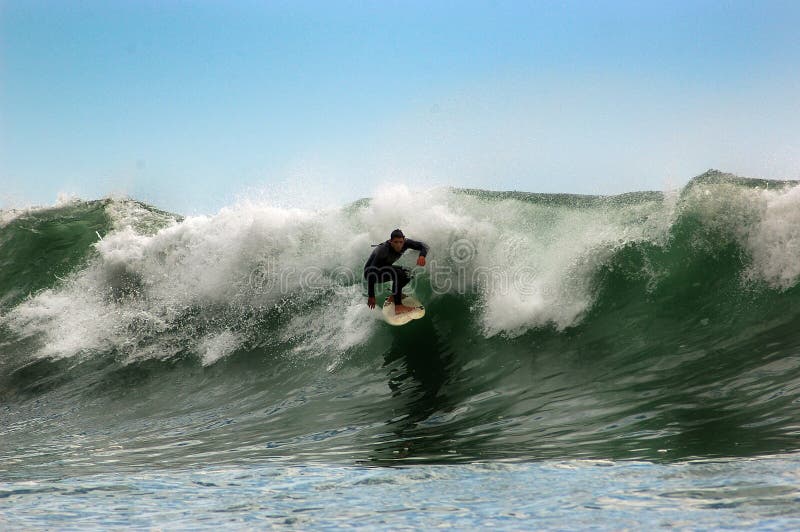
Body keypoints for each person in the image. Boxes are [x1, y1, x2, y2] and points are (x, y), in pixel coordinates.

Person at [364, 229, 428, 314]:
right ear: (391, 241)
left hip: (385, 268)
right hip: (372, 273)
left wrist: (422, 256)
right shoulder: (383, 250)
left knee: (409, 272)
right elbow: (371, 272)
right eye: (395, 242)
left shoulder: (406, 243)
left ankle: (395, 296)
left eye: (400, 242)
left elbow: (424, 246)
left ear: (404, 239)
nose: (398, 245)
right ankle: (398, 306)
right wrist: (371, 295)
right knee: (399, 274)